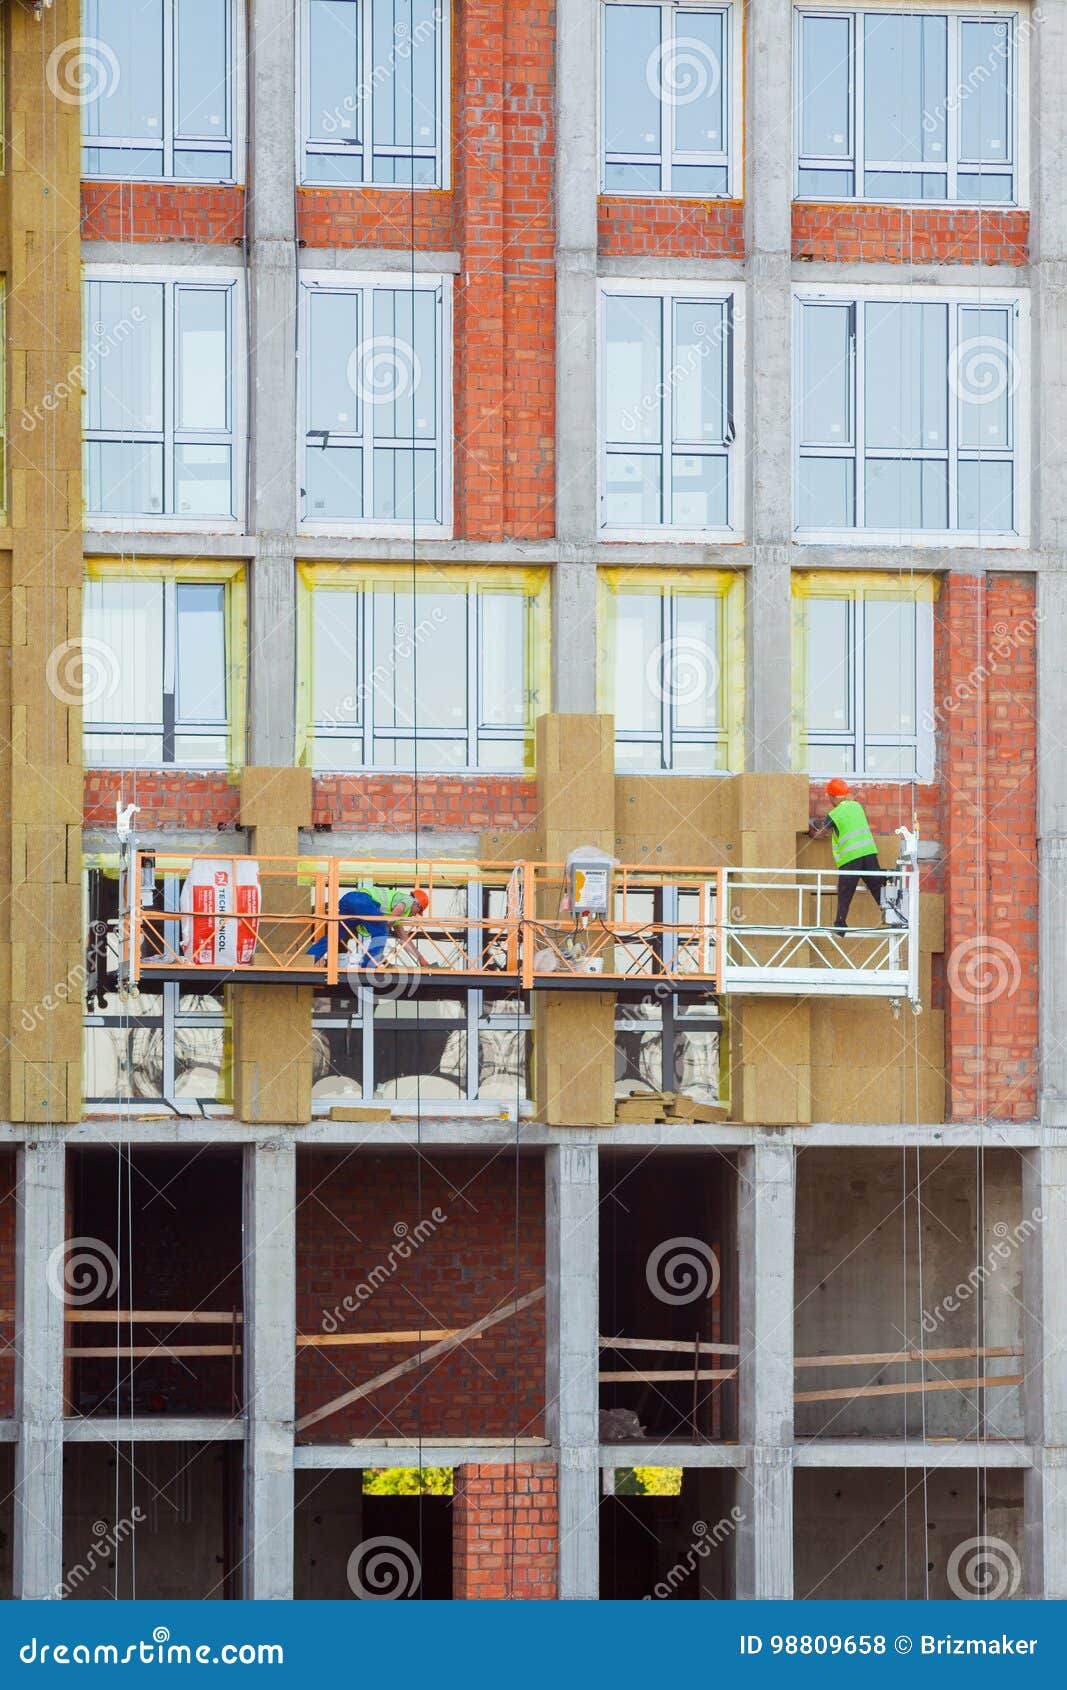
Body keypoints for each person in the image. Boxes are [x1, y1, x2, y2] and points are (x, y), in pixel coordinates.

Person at [815, 779, 885, 932]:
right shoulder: (857, 806)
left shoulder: (833, 814)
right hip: (869, 853)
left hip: (851, 857)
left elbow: (823, 833)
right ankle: (892, 915)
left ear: (832, 796)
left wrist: (813, 832)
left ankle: (840, 924)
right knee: (877, 886)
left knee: (845, 890)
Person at [308, 885, 429, 966]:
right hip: (363, 901)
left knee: (334, 936)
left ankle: (307, 960)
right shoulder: (408, 899)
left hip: (349, 900)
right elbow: (399, 908)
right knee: (381, 932)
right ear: (416, 904)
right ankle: (367, 967)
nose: (414, 915)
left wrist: (420, 958)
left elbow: (403, 937)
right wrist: (386, 924)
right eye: (417, 912)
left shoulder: (400, 914)